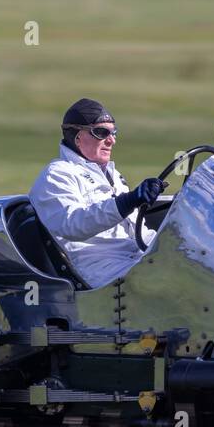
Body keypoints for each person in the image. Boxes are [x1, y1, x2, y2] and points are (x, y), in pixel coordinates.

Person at [28, 98, 166, 286]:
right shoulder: (57, 174)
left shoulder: (112, 174)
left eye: (114, 133)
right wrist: (127, 202)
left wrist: (168, 243)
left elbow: (138, 231)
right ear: (77, 137)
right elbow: (71, 224)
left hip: (136, 257)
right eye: (102, 133)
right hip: (101, 269)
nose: (112, 140)